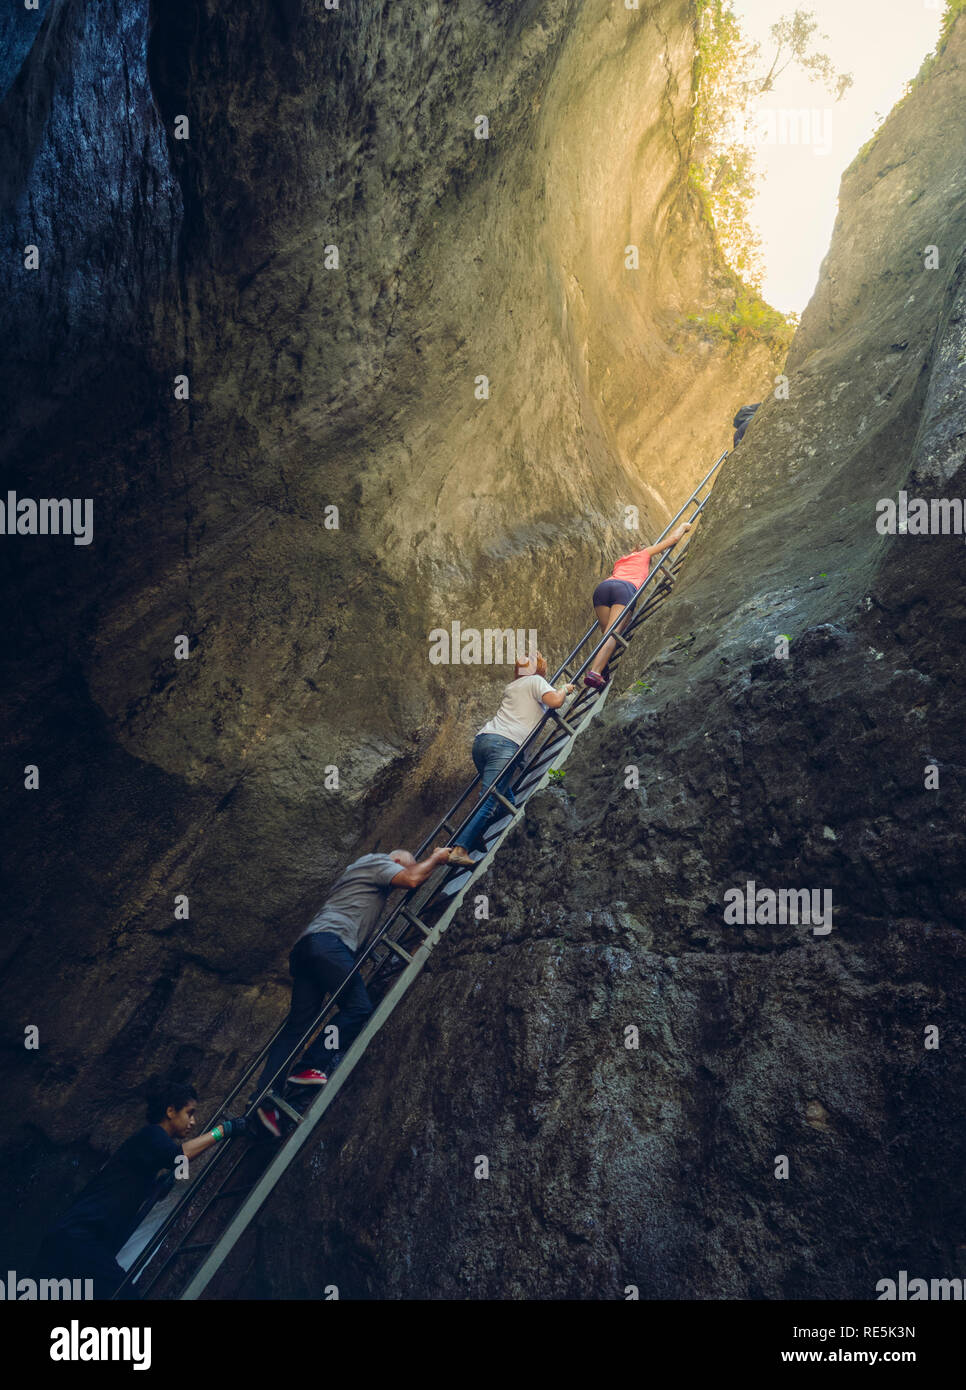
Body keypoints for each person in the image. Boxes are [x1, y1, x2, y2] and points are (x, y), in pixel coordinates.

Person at [252, 846, 453, 1136]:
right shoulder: (378, 863)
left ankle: (264, 1099)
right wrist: (436, 858)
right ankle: (309, 1067)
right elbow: (412, 879)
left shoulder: (356, 877)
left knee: (295, 1029)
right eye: (400, 868)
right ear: (395, 861)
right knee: (358, 1007)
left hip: (310, 947)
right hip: (330, 944)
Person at [37, 1080, 244, 1299]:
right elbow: (178, 1156)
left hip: (75, 1241)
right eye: (189, 1113)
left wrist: (154, 1189)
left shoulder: (147, 1145)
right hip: (78, 1240)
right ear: (170, 1111)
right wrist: (223, 1130)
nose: (193, 1121)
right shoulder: (152, 1135)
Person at [447, 653, 574, 869]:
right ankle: (460, 849)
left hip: (483, 742)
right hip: (505, 745)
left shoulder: (513, 686)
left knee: (507, 805)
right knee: (490, 799)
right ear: (539, 669)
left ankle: (474, 833)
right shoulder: (535, 681)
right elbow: (555, 701)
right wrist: (564, 689)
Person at [583, 521, 693, 689]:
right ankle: (595, 672)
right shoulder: (643, 554)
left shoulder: (621, 561)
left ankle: (602, 668)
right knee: (614, 633)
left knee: (606, 633)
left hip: (604, 588)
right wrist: (684, 527)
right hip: (624, 589)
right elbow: (672, 539)